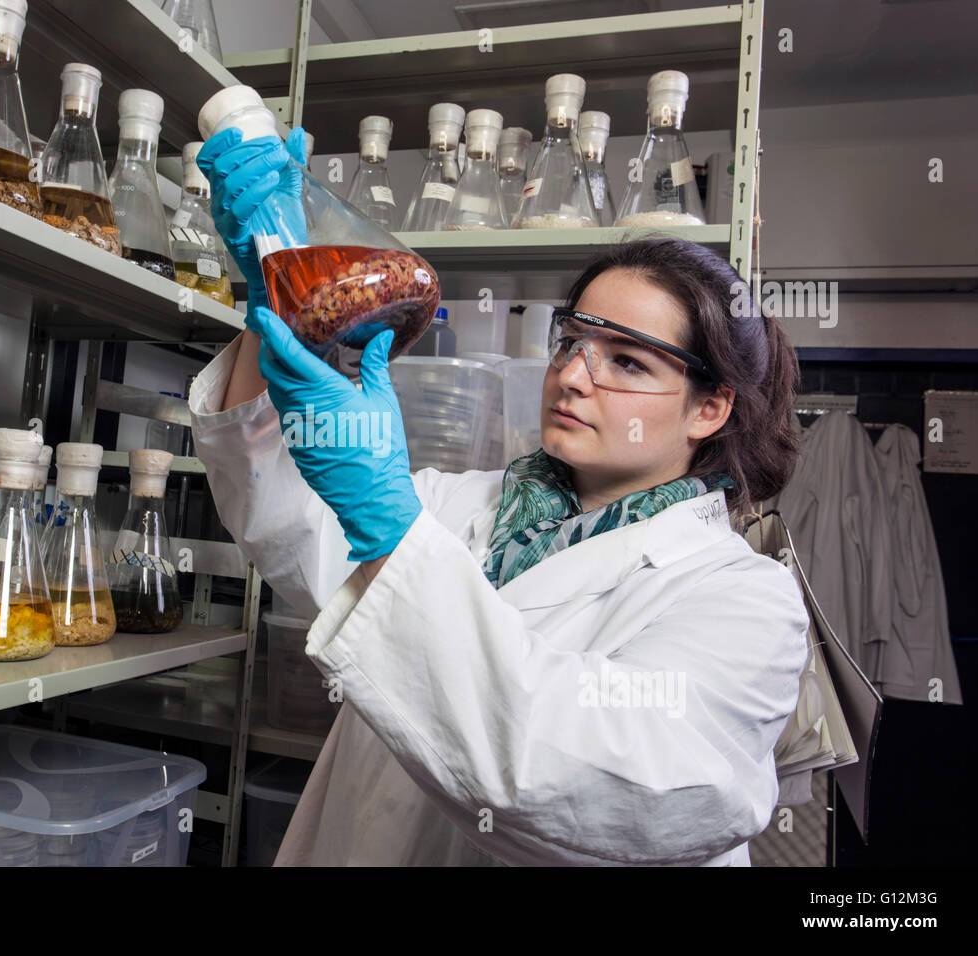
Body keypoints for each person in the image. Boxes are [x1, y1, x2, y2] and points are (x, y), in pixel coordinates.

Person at [187, 127, 810, 866]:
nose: (574, 375)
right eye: (571, 341)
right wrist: (278, 298)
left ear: (710, 408)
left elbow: (589, 780)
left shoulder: (745, 601)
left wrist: (390, 530)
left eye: (628, 362)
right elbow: (283, 521)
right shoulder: (468, 508)